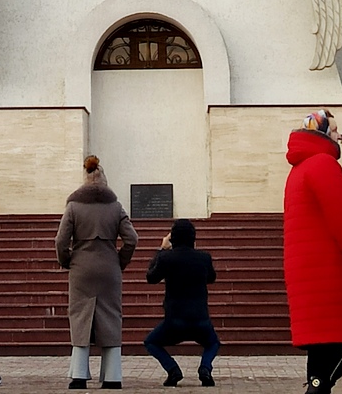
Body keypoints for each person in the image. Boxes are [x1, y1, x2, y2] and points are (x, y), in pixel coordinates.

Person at [282, 111, 342, 394]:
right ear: (321, 134)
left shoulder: (300, 168)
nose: (339, 136)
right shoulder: (323, 164)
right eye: (334, 131)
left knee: (323, 341)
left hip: (309, 268)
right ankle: (317, 388)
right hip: (328, 268)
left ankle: (316, 385)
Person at [55, 156, 137, 391]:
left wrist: (67, 261)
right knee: (111, 316)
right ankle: (112, 376)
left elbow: (60, 241)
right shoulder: (116, 206)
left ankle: (79, 375)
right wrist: (119, 262)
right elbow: (132, 239)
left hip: (81, 268)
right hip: (109, 267)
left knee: (80, 317)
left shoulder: (73, 206)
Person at [142, 220, 219, 387]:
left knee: (151, 342)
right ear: (193, 238)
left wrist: (161, 249)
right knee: (213, 342)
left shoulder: (166, 258)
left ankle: (173, 369)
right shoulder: (204, 258)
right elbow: (211, 278)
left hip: (174, 321)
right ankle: (205, 367)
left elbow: (151, 277)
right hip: (200, 319)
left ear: (173, 238)